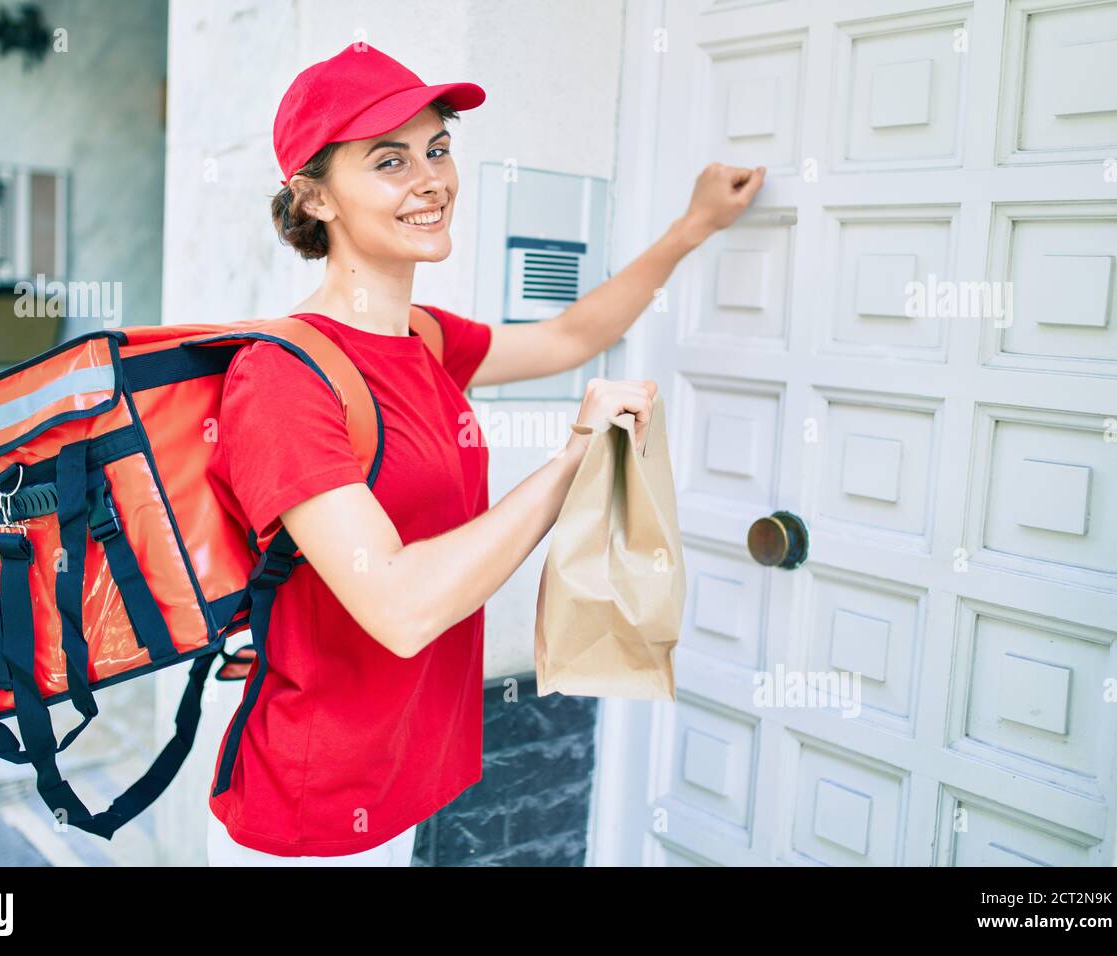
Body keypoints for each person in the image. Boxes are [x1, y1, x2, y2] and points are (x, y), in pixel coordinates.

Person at [205, 41, 765, 866]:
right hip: (314, 809)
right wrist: (569, 464)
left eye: (437, 148)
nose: (431, 179)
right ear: (314, 197)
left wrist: (693, 228)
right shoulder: (283, 379)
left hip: (410, 777)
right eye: (389, 160)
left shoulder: (425, 339)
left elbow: (571, 335)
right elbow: (400, 609)